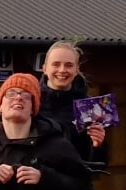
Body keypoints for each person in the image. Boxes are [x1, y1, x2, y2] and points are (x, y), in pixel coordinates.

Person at [33, 39, 110, 176]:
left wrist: (98, 146)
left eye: (69, 65)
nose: (62, 70)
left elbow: (98, 168)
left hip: (76, 183)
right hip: (37, 183)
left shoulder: (90, 107)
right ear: (44, 68)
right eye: (56, 64)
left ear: (76, 70)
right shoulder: (32, 102)